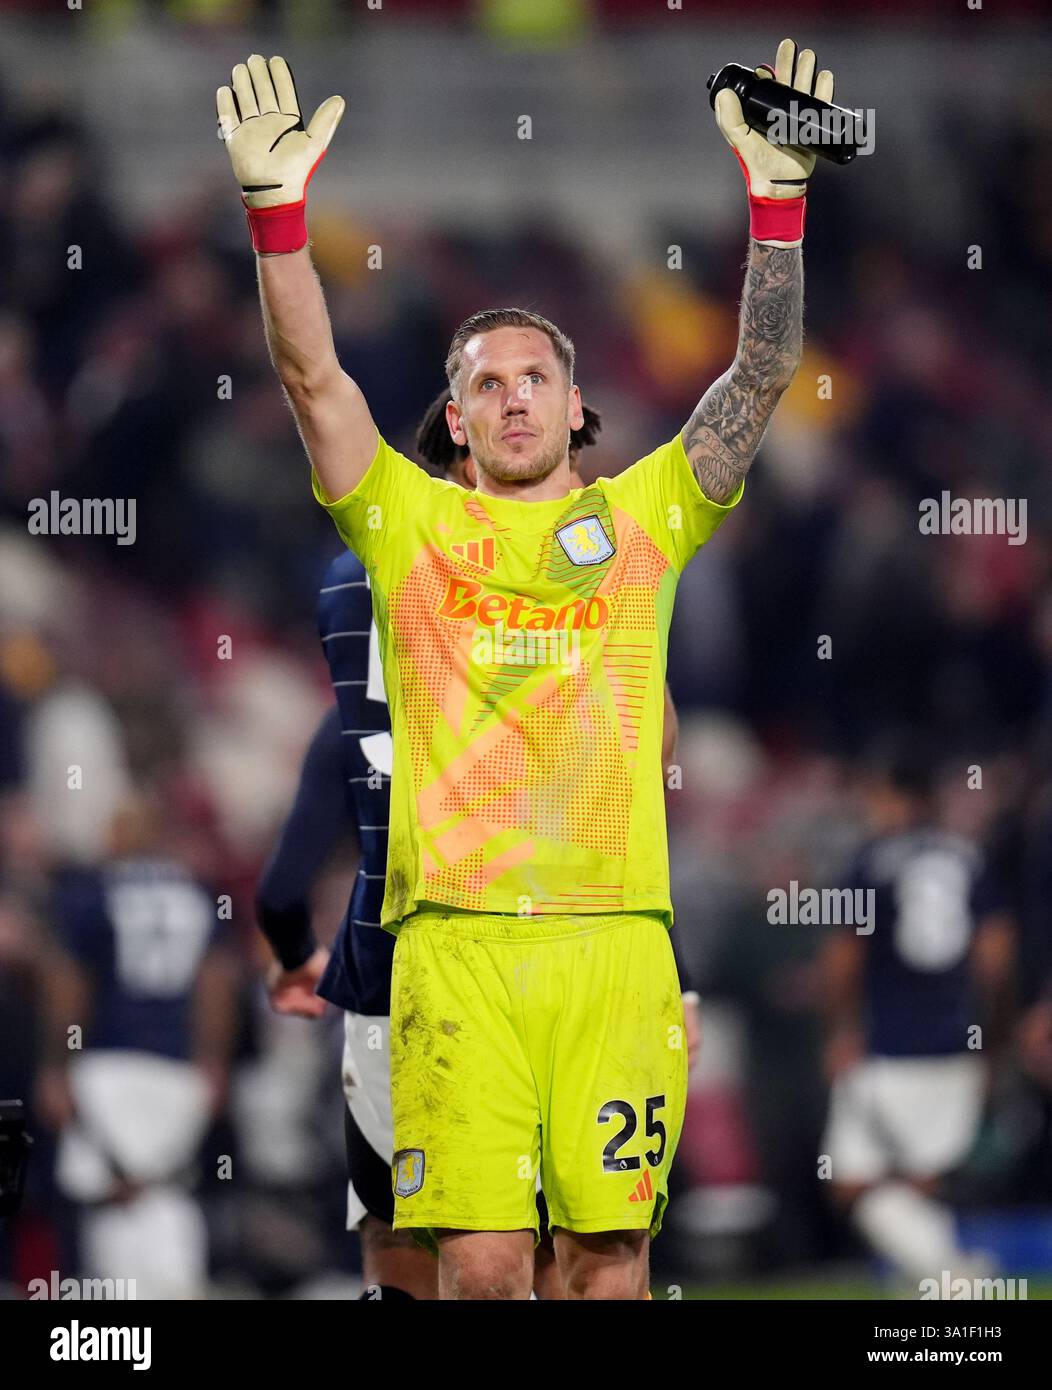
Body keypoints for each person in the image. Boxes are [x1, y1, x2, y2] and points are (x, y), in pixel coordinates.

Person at [219, 38, 815, 1298]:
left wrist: (778, 201)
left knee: (607, 1268)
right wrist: (278, 221)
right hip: (458, 954)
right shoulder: (407, 524)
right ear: (455, 420)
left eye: (534, 375)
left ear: (577, 404)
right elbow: (311, 377)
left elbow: (760, 374)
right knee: (480, 1267)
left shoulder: (647, 519)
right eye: (483, 382)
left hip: (614, 949)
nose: (511, 397)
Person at [256, 388, 700, 1299]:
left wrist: (298, 954)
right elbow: (634, 774)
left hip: (394, 960)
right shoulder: (557, 584)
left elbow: (298, 847)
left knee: (407, 1243)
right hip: (538, 940)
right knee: (561, 1249)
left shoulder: (351, 577)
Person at [818, 741, 1014, 1287]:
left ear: (894, 797)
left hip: (888, 1041)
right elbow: (997, 958)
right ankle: (946, 1275)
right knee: (922, 1178)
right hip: (954, 1039)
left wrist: (838, 1030)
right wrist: (988, 1038)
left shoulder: (870, 860)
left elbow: (842, 960)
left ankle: (951, 1276)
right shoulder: (968, 856)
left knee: (853, 1181)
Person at [35, 792, 237, 1299]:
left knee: (106, 1205)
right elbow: (217, 982)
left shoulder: (92, 892)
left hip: (107, 1063)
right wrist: (211, 1060)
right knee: (167, 1196)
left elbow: (68, 988)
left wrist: (56, 1064)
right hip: (177, 1071)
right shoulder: (196, 892)